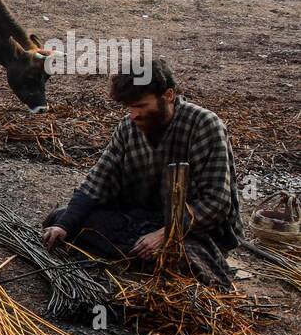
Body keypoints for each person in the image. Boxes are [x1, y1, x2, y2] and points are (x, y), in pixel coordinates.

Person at [41, 59, 242, 286]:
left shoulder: (205, 125)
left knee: (188, 259)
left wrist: (165, 234)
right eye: (129, 107)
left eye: (141, 106)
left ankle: (145, 255)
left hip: (192, 231)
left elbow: (217, 203)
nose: (133, 115)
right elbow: (97, 182)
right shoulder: (127, 128)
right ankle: (140, 255)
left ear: (168, 95)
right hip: (141, 221)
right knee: (61, 218)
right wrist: (64, 226)